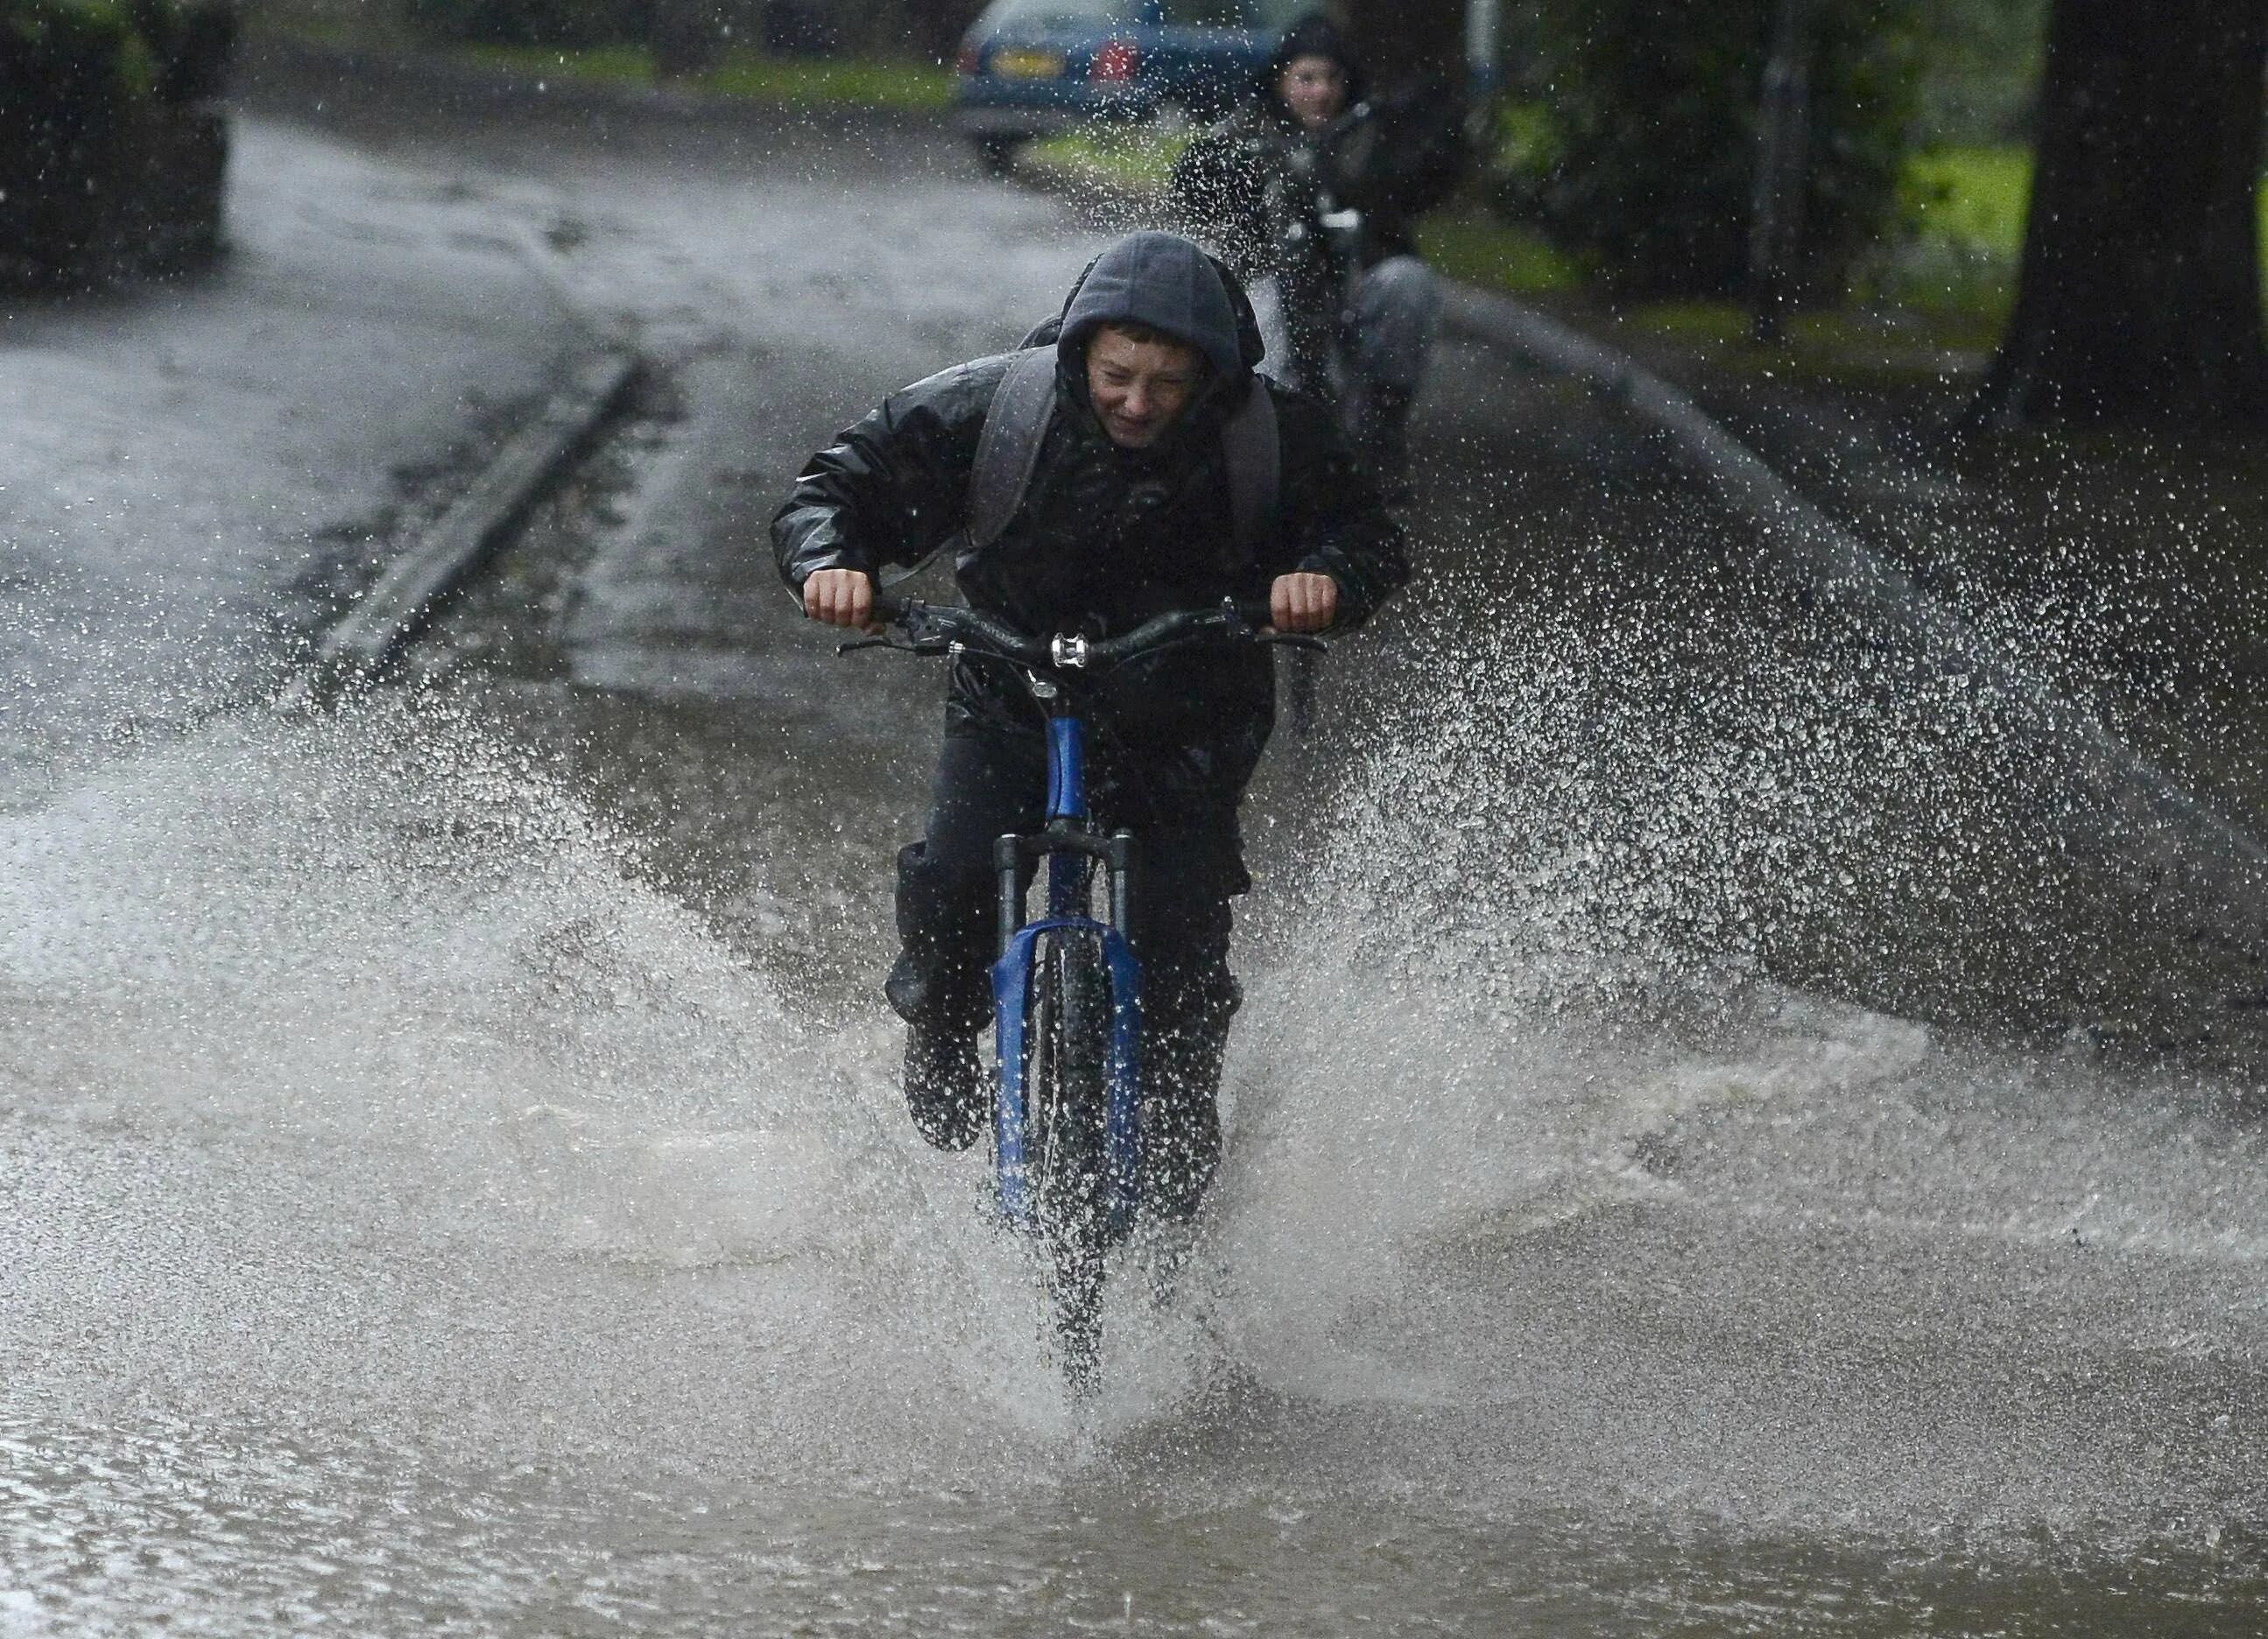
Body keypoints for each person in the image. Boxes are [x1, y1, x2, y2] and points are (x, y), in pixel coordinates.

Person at [773, 230, 1407, 1222]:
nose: (1137, 404)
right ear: (1079, 356)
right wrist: (832, 565)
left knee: (1180, 927)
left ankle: (1177, 1102)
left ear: (1212, 374)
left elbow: (1366, 531)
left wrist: (1326, 581)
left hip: (1190, 701)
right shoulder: (997, 405)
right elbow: (833, 488)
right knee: (953, 876)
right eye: (1116, 376)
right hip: (1010, 683)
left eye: (1166, 383)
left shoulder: (1271, 434)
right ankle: (939, 1021)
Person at [1170, 12, 1462, 496]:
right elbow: (1196, 183)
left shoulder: (1371, 135)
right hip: (1272, 294)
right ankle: (1265, 447)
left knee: (1410, 285)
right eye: (1306, 78)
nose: (1320, 92)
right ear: (1282, 79)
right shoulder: (1248, 132)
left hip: (1355, 287)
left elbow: (1421, 182)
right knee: (1266, 330)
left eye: (1332, 79)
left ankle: (1378, 438)